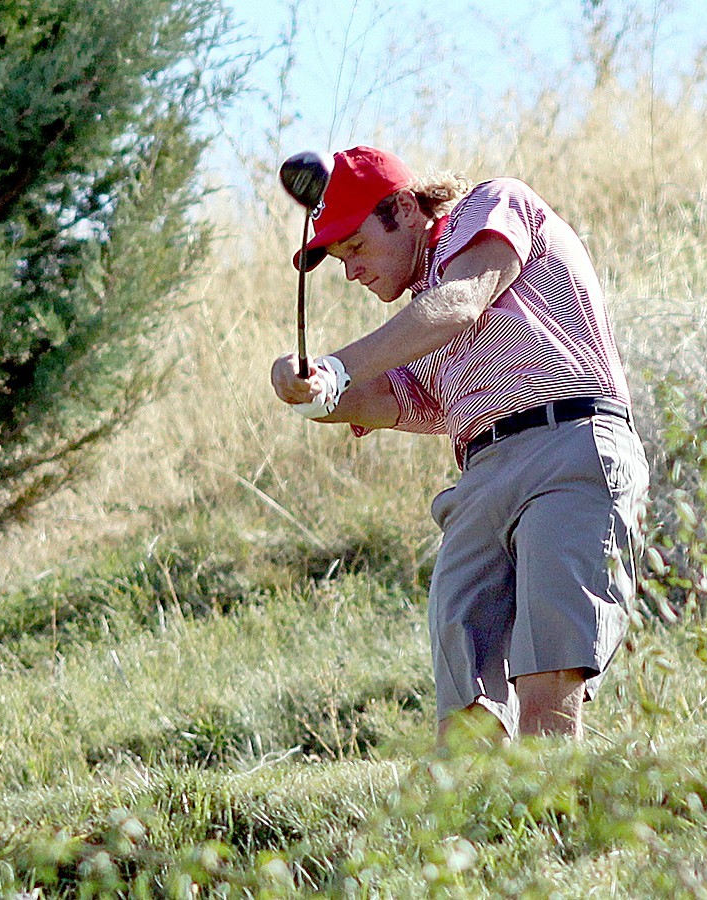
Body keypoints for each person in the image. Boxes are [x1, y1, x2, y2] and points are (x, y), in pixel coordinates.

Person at [269, 145, 649, 742]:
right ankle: (483, 835)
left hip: (570, 446)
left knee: (546, 686)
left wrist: (340, 363)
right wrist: (309, 386)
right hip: (479, 479)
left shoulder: (493, 205)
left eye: (358, 248)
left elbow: (463, 304)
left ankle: (558, 832)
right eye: (341, 258)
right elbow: (387, 399)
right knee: (466, 716)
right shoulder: (416, 325)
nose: (351, 272)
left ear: (401, 207)